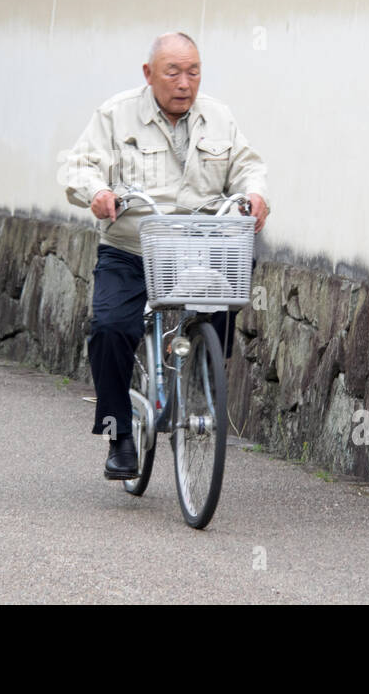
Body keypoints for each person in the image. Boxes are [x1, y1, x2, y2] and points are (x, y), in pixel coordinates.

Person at [62, 33, 270, 480]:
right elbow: (79, 165)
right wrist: (97, 192)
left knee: (231, 283)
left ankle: (201, 371)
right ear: (148, 74)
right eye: (172, 72)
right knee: (110, 327)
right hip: (132, 246)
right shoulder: (115, 115)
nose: (184, 83)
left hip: (198, 246)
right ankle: (119, 434)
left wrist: (255, 193)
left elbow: (248, 164)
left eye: (193, 71)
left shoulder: (218, 117)